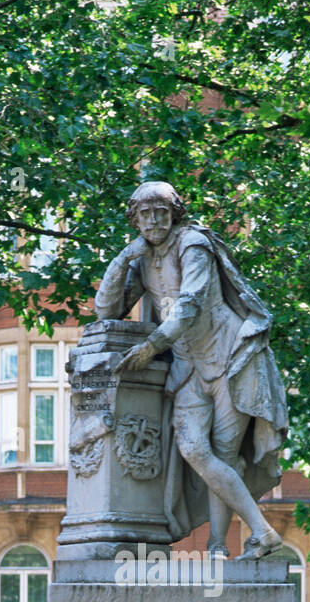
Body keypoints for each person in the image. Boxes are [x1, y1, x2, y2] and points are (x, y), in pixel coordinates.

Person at [95, 181, 288, 559]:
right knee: (194, 449)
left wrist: (152, 346)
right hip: (187, 365)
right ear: (134, 220)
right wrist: (121, 260)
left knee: (223, 453)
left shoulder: (193, 243)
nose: (153, 221)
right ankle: (263, 531)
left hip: (230, 358)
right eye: (144, 214)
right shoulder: (144, 258)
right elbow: (106, 310)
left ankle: (218, 547)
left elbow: (190, 305)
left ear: (174, 214)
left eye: (161, 212)